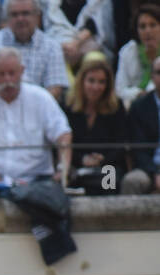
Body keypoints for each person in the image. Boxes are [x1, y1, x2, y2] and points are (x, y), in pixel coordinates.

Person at [0, 47, 72, 184]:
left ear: (22, 71)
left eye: (12, 73)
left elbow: (63, 134)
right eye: (2, 74)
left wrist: (62, 170)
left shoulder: (41, 98)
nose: (8, 80)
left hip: (38, 183)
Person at [0, 0, 69, 101]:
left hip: (38, 111)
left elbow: (54, 89)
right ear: (7, 18)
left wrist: (29, 109)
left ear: (37, 16)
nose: (20, 19)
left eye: (25, 13)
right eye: (14, 14)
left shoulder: (51, 47)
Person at [66, 51, 131, 194]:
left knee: (109, 183)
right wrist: (82, 159)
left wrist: (102, 160)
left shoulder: (116, 107)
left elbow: (121, 144)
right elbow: (63, 142)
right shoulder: (68, 106)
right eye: (91, 81)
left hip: (108, 165)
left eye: (101, 82)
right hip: (76, 164)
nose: (96, 87)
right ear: (82, 81)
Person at [116, 4, 160, 108]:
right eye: (142, 26)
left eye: (152, 25)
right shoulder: (128, 51)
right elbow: (119, 89)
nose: (147, 31)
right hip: (133, 106)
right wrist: (139, 94)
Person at [127, 57, 160, 193]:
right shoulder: (139, 107)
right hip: (148, 169)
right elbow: (138, 148)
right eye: (159, 72)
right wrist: (155, 173)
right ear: (152, 77)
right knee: (132, 181)